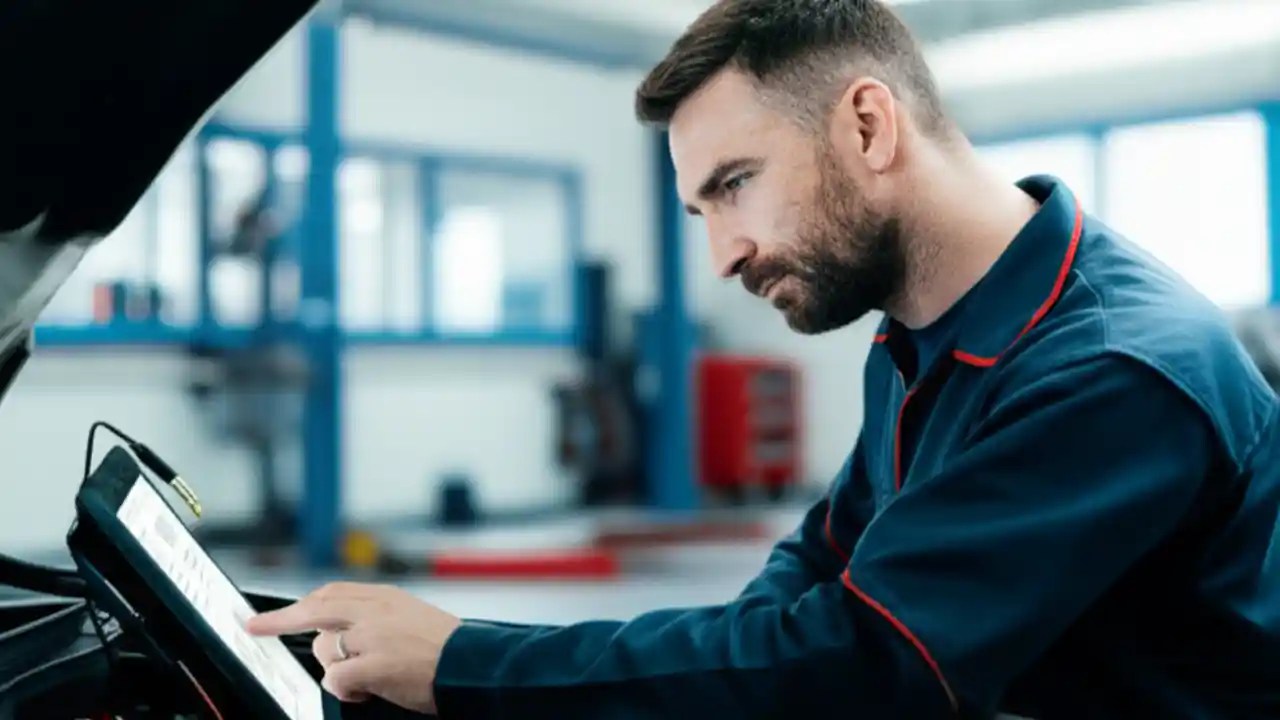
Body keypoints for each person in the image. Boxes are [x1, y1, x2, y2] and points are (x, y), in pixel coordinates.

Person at [246, 0, 1280, 717]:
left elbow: (870, 666)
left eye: (735, 184)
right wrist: (706, 685)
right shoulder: (920, 330)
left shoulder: (1108, 370)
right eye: (700, 211)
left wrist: (466, 661)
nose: (723, 255)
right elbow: (820, 564)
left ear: (867, 126)